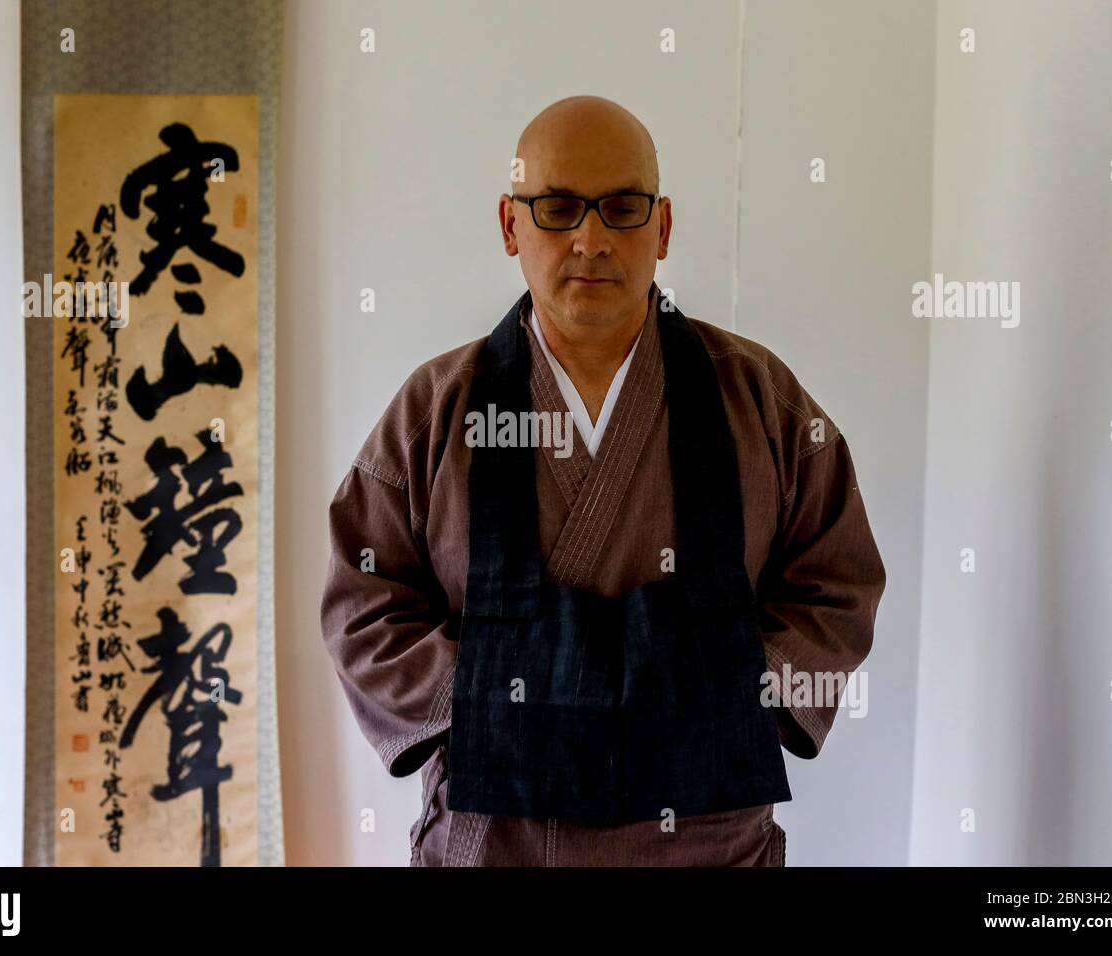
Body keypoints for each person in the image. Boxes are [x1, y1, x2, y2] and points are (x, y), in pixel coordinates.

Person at [320, 95, 886, 866]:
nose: (591, 238)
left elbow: (838, 579)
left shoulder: (757, 397)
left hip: (707, 842)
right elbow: (364, 597)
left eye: (622, 207)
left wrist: (738, 696)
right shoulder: (436, 407)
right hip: (499, 844)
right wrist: (487, 705)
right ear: (510, 224)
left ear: (662, 226)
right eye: (557, 208)